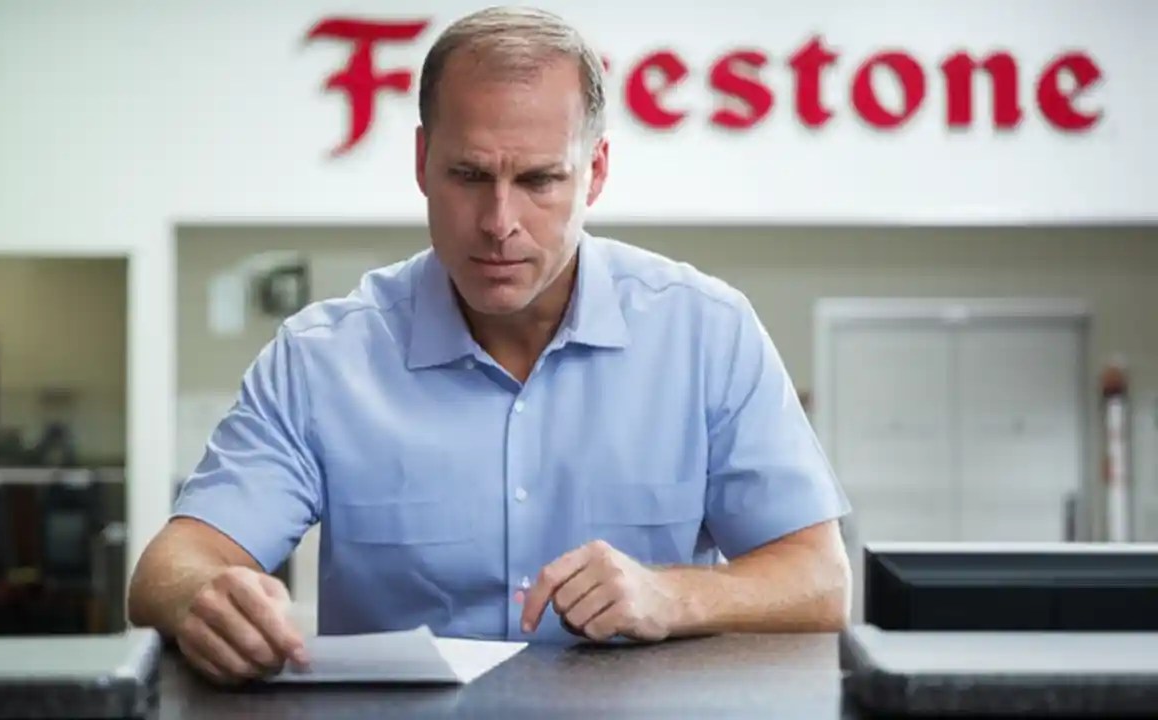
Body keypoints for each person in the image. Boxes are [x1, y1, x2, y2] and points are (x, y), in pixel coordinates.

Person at [127, 5, 852, 685]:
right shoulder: (322, 360)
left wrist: (672, 596)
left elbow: (820, 582)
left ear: (595, 172)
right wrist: (205, 596)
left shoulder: (708, 335)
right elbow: (171, 566)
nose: (498, 221)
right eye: (470, 176)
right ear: (422, 162)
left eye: (539, 180)